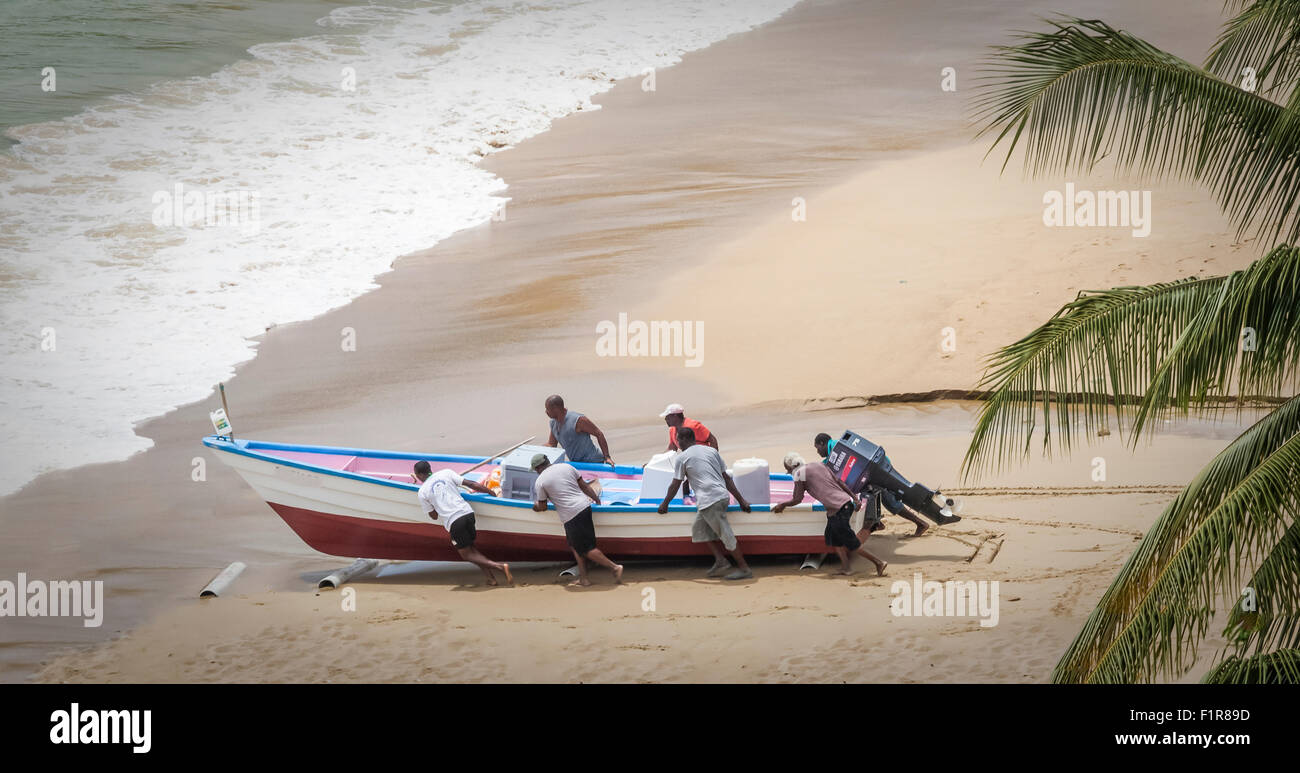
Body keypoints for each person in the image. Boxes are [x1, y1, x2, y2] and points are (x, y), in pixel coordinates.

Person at [656, 426, 753, 581]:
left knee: (725, 534)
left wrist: (664, 504)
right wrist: (740, 500)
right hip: (719, 497)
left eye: (678, 439)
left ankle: (744, 568)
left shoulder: (682, 457)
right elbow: (726, 478)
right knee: (699, 530)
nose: (677, 443)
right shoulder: (711, 451)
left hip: (710, 500)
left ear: (683, 440)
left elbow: (675, 484)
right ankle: (721, 561)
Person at [773, 452, 887, 577]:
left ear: (791, 468)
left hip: (839, 509)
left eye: (788, 470)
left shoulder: (800, 474)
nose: (788, 473)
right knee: (833, 538)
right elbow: (839, 481)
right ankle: (846, 568)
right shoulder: (819, 465)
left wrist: (782, 505)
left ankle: (879, 562)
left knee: (851, 542)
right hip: (842, 506)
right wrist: (854, 498)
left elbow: (797, 499)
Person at [413, 461, 513, 586]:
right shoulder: (446, 472)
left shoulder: (422, 492)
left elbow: (434, 516)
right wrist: (490, 492)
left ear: (418, 475)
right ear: (430, 469)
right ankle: (490, 578)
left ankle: (500, 567)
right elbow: (471, 484)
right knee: (471, 549)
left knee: (466, 554)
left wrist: (436, 503)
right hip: (468, 514)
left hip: (454, 521)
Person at [531, 454, 624, 587]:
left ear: (539, 467)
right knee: (576, 547)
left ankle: (615, 567)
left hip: (571, 515)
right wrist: (597, 500)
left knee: (586, 549)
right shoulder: (567, 467)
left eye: (535, 469)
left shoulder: (540, 481)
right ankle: (584, 579)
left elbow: (543, 506)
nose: (536, 472)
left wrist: (535, 507)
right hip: (585, 507)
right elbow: (584, 487)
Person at [815, 432, 928, 538]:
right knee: (872, 494)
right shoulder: (836, 449)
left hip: (877, 472)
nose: (817, 451)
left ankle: (921, 523)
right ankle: (877, 524)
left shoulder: (836, 447)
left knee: (889, 501)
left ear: (822, 443)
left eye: (817, 448)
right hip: (874, 471)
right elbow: (825, 466)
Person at [544, 395, 614, 466]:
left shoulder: (578, 420)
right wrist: (536, 449)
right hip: (577, 465)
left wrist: (607, 457)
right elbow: (552, 444)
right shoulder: (553, 423)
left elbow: (599, 434)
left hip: (594, 462)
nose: (546, 412)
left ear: (556, 409)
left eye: (547, 409)